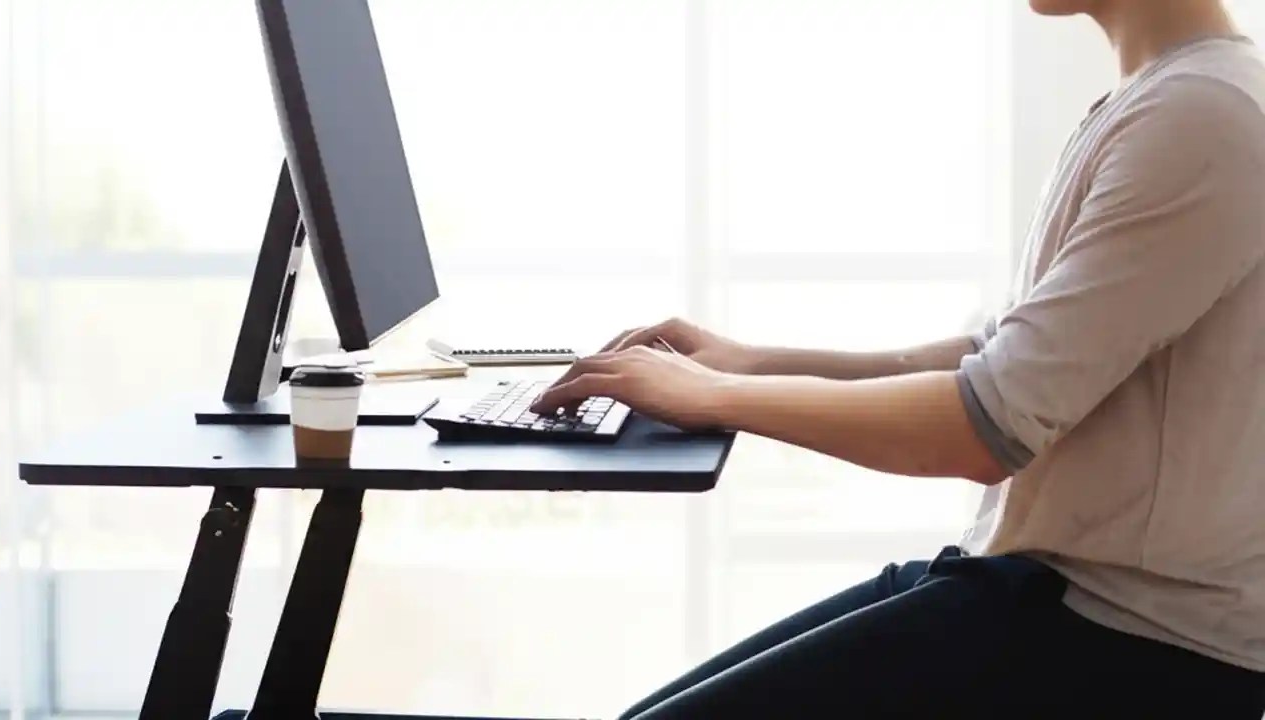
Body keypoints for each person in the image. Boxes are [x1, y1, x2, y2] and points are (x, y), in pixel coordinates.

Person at [531, 0, 1265, 717]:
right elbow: (995, 361)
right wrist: (748, 364)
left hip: (1133, 643)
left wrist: (710, 395)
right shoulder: (1164, 99)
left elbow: (984, 429)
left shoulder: (1203, 117)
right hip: (1041, 591)